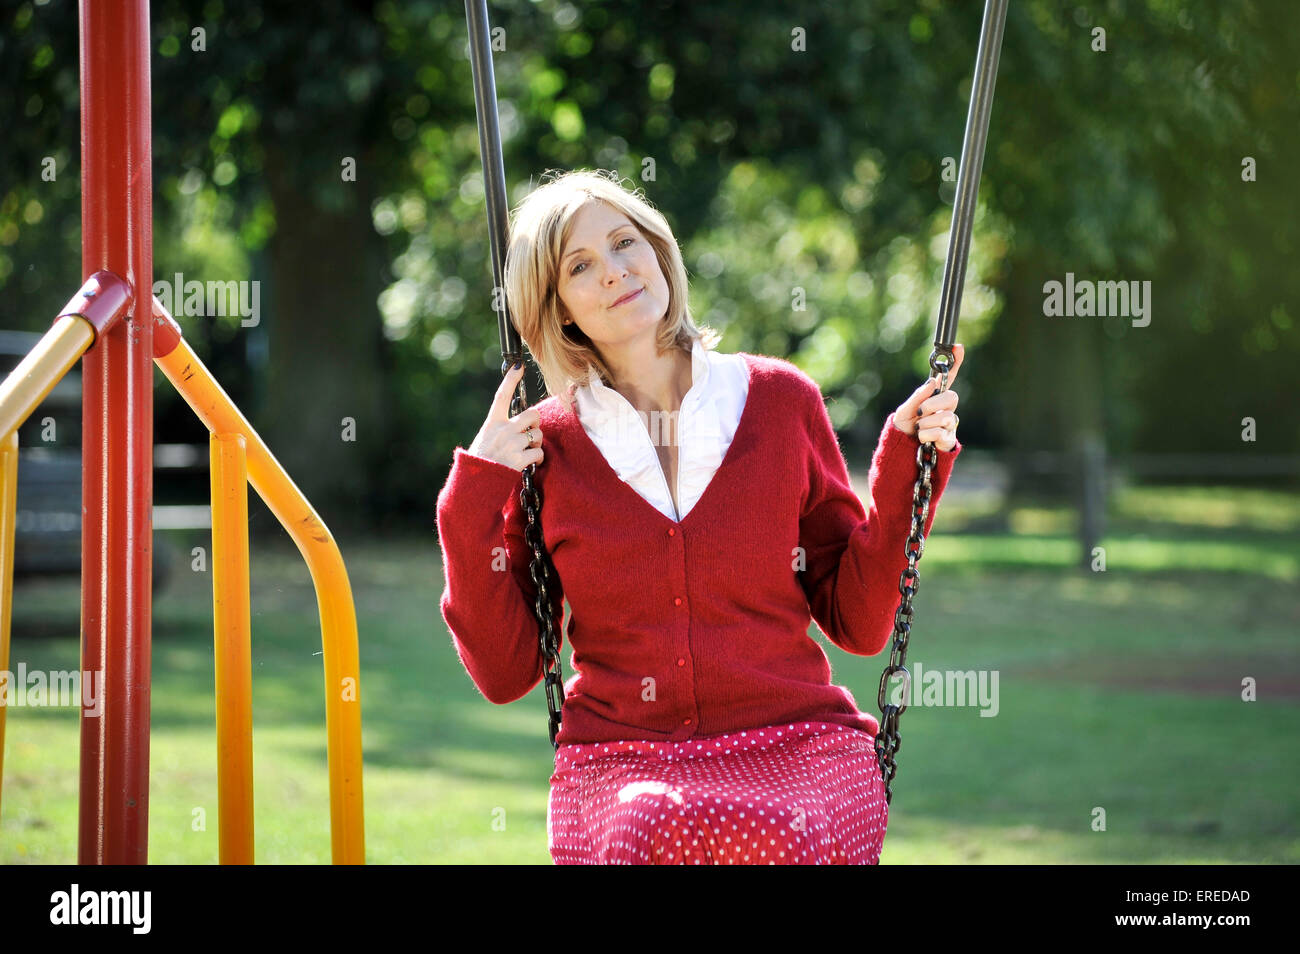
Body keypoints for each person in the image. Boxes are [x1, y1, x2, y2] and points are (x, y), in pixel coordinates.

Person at [435, 169, 963, 864]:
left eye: (626, 243)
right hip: (623, 758)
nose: (615, 272)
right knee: (645, 829)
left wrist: (906, 470)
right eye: (581, 265)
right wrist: (472, 493)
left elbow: (859, 624)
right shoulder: (547, 449)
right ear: (558, 306)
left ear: (658, 249)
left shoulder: (779, 402)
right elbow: (506, 675)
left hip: (798, 742)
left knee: (786, 833)